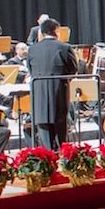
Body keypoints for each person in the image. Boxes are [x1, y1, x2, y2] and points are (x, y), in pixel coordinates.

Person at [27, 17, 77, 149]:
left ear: (42, 32)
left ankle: (48, 159)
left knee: (44, 131)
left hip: (39, 95)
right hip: (59, 92)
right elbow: (73, 70)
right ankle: (62, 159)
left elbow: (31, 71)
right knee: (61, 129)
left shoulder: (32, 49)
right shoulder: (65, 47)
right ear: (56, 31)